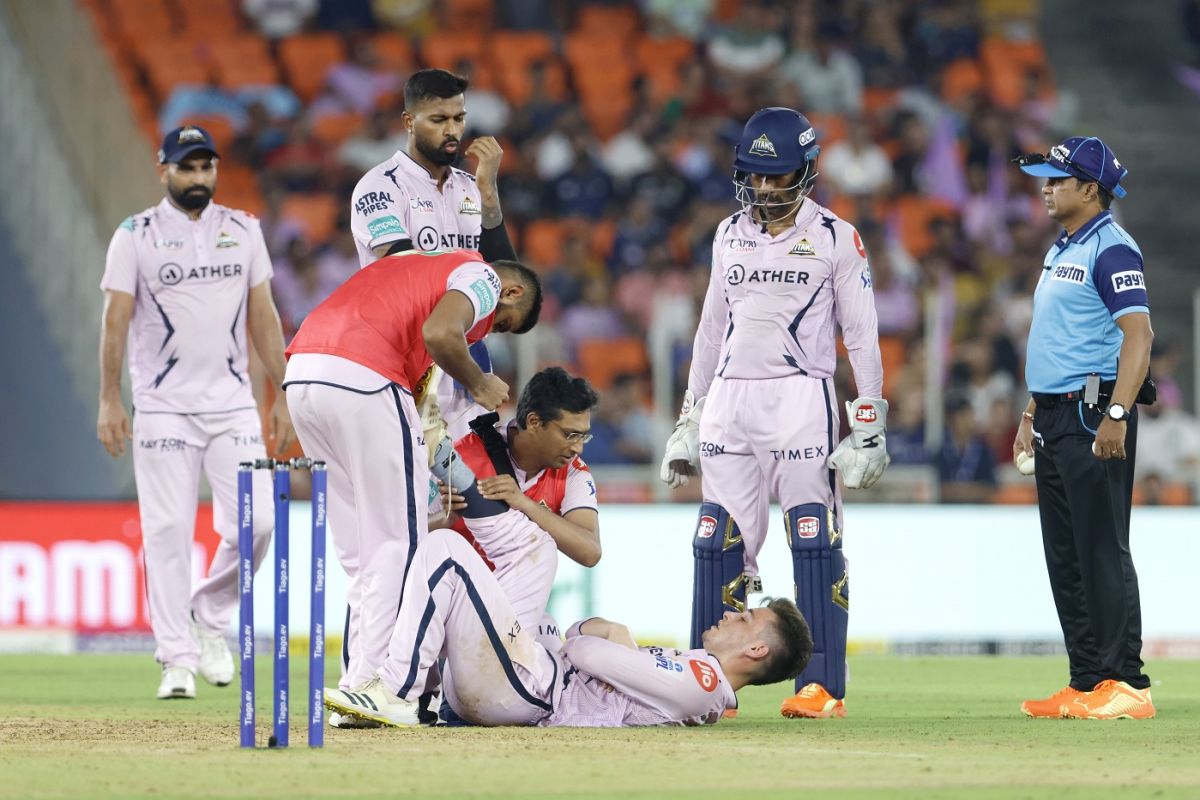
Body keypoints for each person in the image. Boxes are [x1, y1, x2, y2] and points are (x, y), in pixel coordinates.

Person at [660, 107, 889, 720]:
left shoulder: (838, 237)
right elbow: (710, 330)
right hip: (729, 400)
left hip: (800, 398)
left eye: (777, 176)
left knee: (813, 537)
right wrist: (690, 414)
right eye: (755, 176)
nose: (764, 189)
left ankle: (819, 687)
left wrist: (869, 423)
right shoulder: (728, 232)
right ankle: (707, 688)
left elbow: (861, 336)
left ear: (807, 171)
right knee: (717, 541)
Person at [282, 249, 542, 699]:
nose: (491, 331)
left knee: (360, 551)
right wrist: (479, 382)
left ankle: (353, 681)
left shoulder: (413, 265)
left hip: (303, 372)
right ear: (511, 292)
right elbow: (440, 333)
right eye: (503, 324)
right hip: (364, 377)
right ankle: (375, 684)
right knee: (399, 543)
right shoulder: (480, 275)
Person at [96, 125, 295, 700]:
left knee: (259, 523)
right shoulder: (134, 235)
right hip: (162, 409)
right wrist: (110, 395)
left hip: (232, 404)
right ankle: (175, 659)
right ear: (164, 170)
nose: (199, 178)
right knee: (166, 532)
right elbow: (114, 321)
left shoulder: (243, 229)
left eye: (206, 167)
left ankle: (210, 613)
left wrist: (280, 395)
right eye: (187, 168)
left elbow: (263, 317)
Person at [323, 529, 814, 728]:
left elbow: (589, 654)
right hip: (535, 680)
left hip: (538, 690)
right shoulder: (696, 675)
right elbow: (582, 631)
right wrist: (600, 632)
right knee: (539, 588)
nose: (731, 613)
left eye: (745, 618)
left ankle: (394, 690)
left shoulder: (702, 681)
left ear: (754, 648)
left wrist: (594, 641)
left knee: (446, 550)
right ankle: (420, 696)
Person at [1013, 136, 1156, 720]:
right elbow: (1059, 342)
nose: (1045, 188)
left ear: (1089, 189)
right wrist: (1029, 413)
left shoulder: (1112, 249)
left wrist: (1117, 415)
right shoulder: (1064, 247)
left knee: (1101, 547)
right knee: (1065, 553)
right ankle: (1087, 679)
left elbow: (1139, 338)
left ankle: (1127, 683)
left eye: (1056, 180)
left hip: (1091, 412)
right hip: (1053, 413)